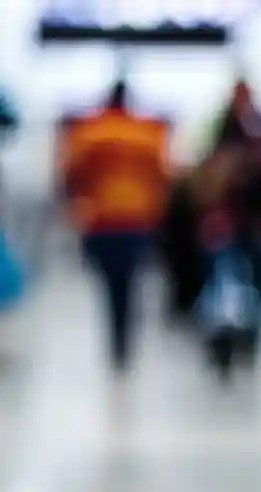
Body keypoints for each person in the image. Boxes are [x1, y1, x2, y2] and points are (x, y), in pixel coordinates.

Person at [62, 80, 167, 372]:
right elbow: (162, 175)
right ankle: (125, 342)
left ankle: (115, 341)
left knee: (109, 286)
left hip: (101, 220)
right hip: (137, 220)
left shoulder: (89, 133)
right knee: (131, 285)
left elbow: (71, 175)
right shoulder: (146, 134)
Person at [209, 78, 261, 358]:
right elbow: (212, 176)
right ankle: (229, 337)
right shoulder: (224, 129)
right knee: (229, 282)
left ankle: (254, 335)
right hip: (231, 222)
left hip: (260, 222)